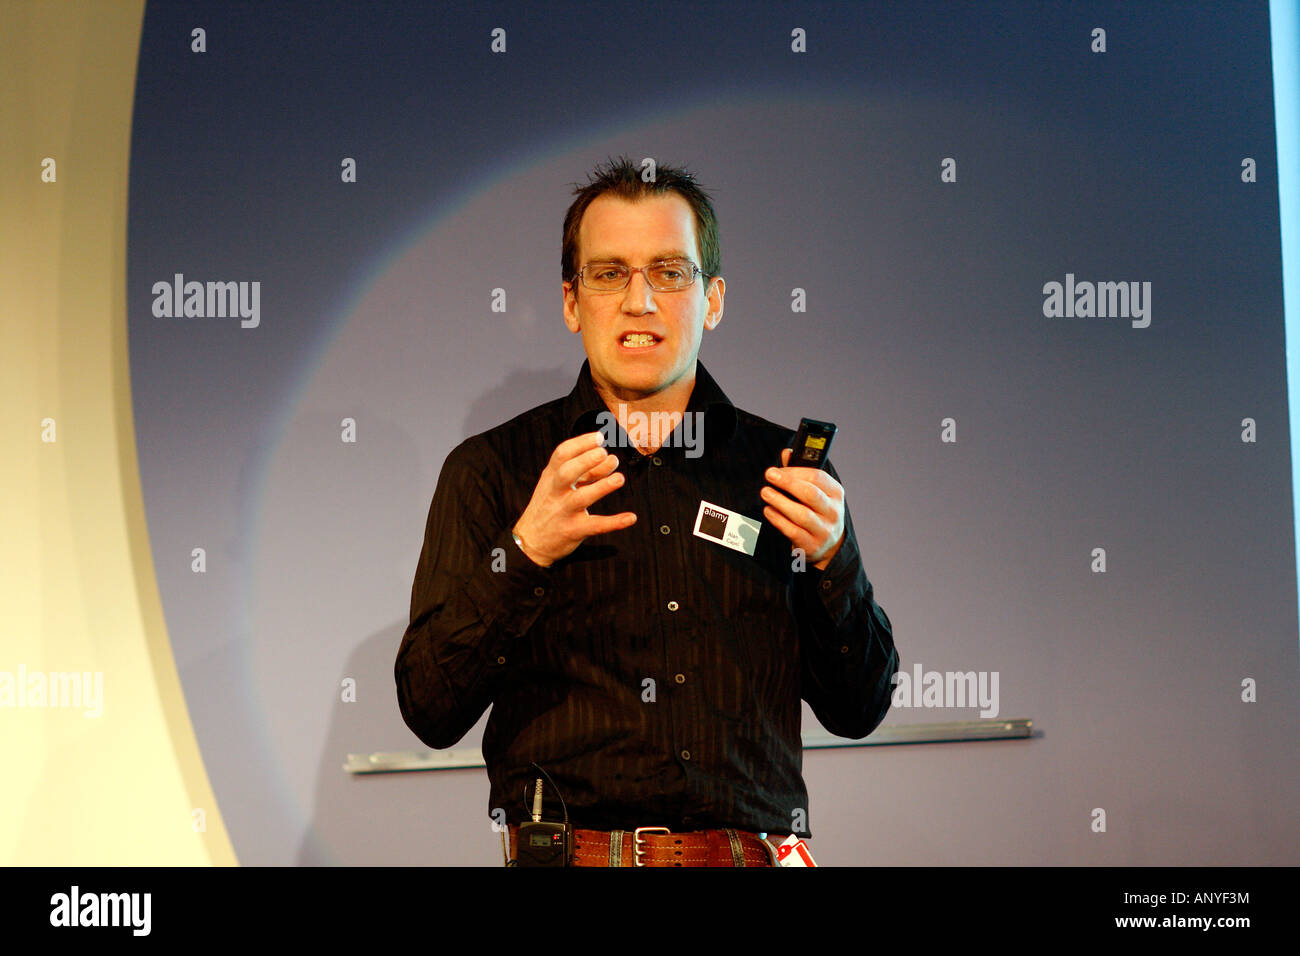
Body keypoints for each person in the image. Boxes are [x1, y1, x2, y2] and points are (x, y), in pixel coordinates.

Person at [395, 157, 898, 866]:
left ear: (712, 298)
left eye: (669, 272)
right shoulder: (493, 471)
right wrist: (526, 551)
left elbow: (859, 709)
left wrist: (832, 560)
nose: (640, 301)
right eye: (609, 274)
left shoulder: (784, 470)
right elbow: (429, 708)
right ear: (572, 301)